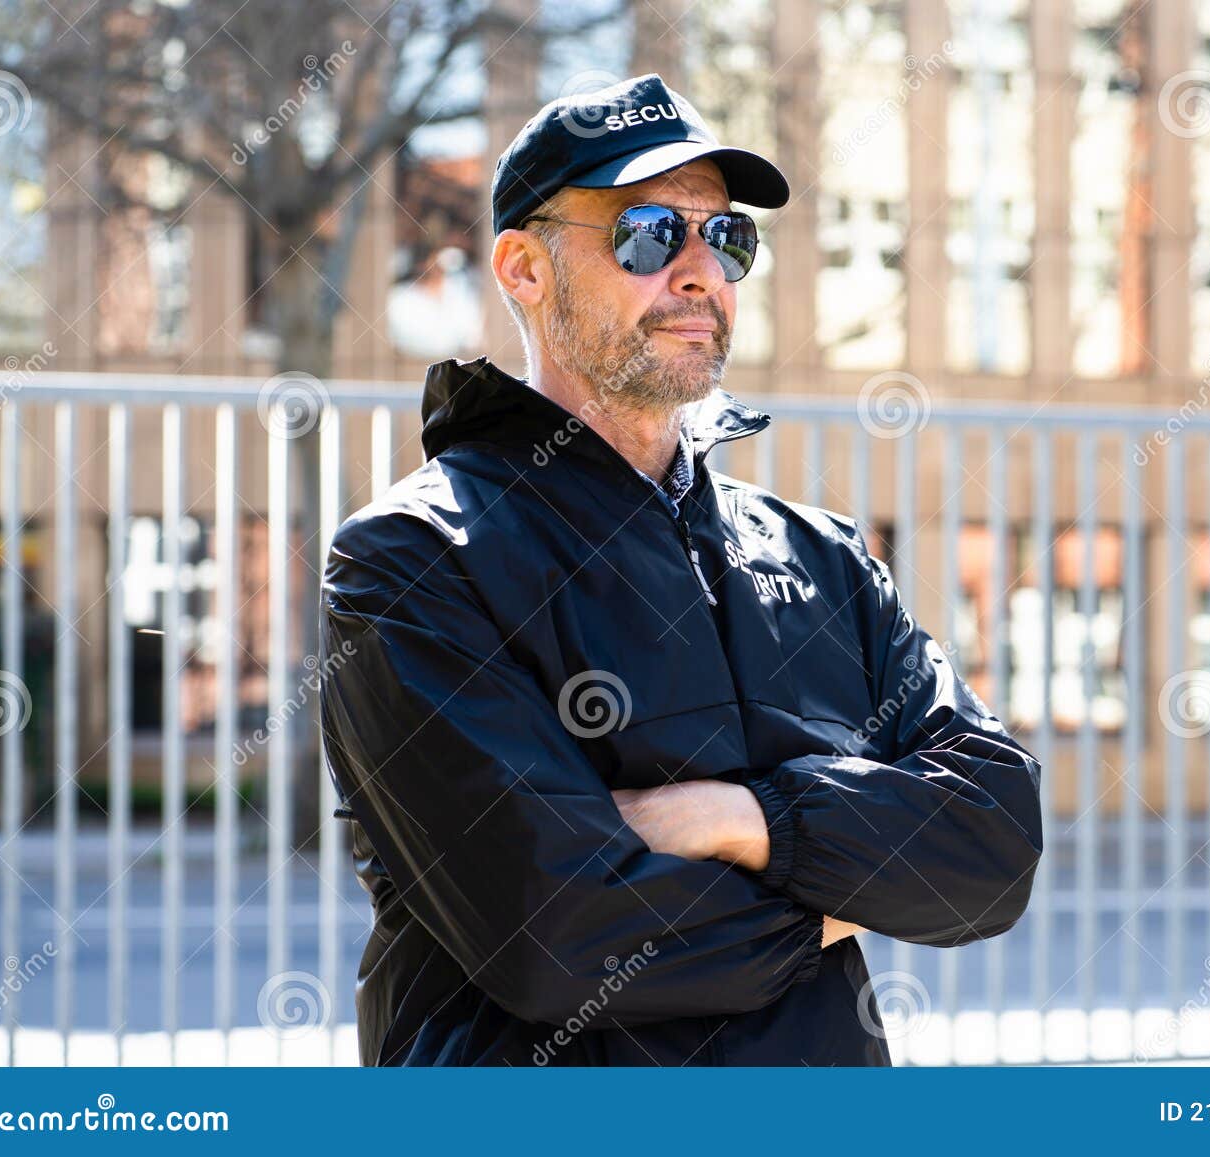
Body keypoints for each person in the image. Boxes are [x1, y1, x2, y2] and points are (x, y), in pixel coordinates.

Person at [319, 73, 1043, 1066]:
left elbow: (995, 842)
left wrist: (743, 818)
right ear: (524, 268)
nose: (701, 271)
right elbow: (560, 938)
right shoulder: (414, 559)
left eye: (727, 237)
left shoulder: (822, 559)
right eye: (650, 233)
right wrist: (851, 891)